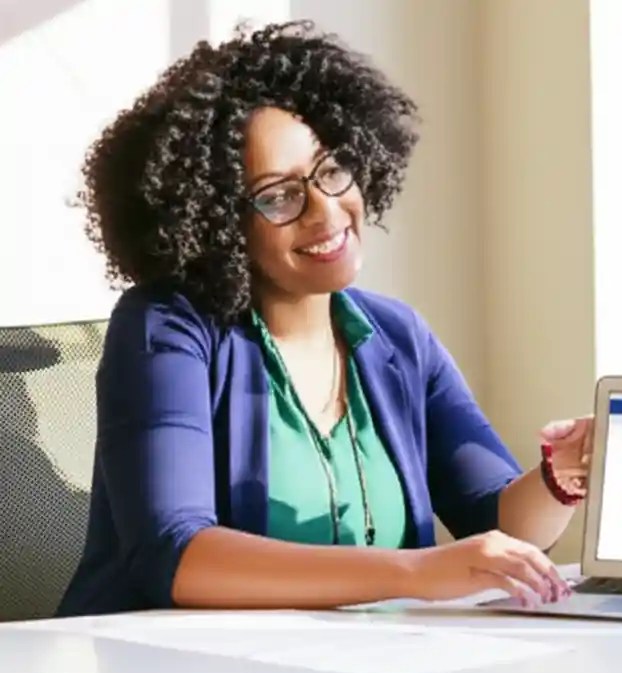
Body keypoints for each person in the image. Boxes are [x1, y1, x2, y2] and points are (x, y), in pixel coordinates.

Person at [57, 21, 593, 617]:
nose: (326, 210)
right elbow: (175, 554)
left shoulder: (398, 337)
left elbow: (496, 523)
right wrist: (416, 572)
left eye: (332, 169)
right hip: (177, 665)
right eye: (278, 195)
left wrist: (563, 474)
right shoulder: (166, 329)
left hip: (367, 660)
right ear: (217, 222)